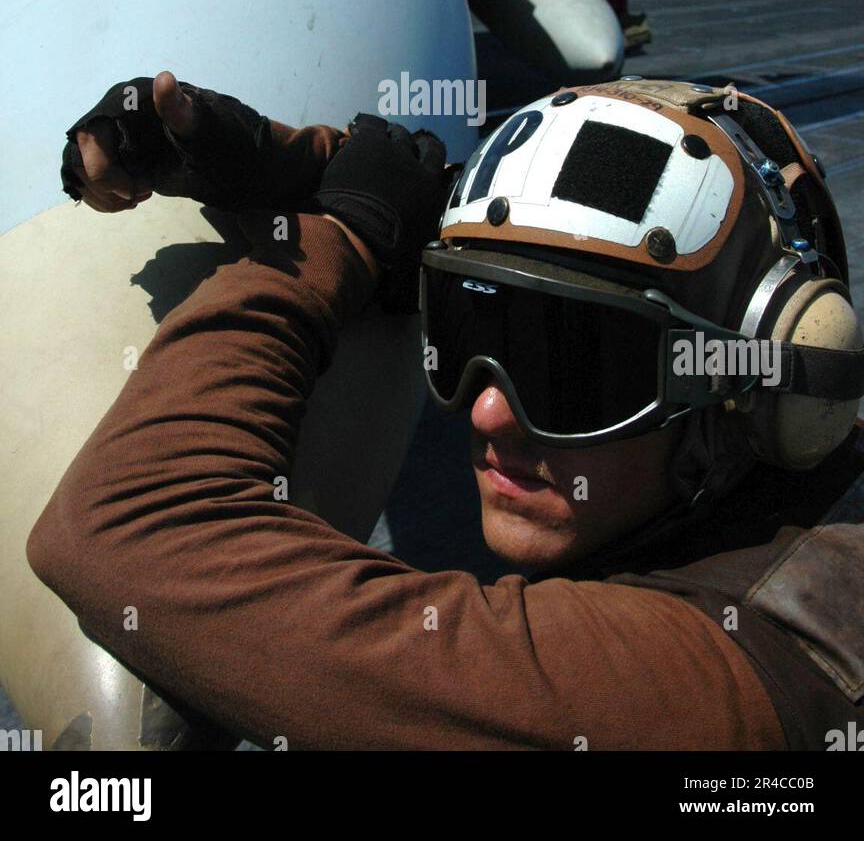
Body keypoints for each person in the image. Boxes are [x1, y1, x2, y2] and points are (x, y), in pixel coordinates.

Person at [27, 71, 864, 751]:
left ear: (756, 389)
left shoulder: (695, 686)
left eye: (569, 366)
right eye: (470, 328)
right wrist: (265, 162)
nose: (490, 411)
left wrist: (334, 241)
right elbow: (518, 246)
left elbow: (120, 527)